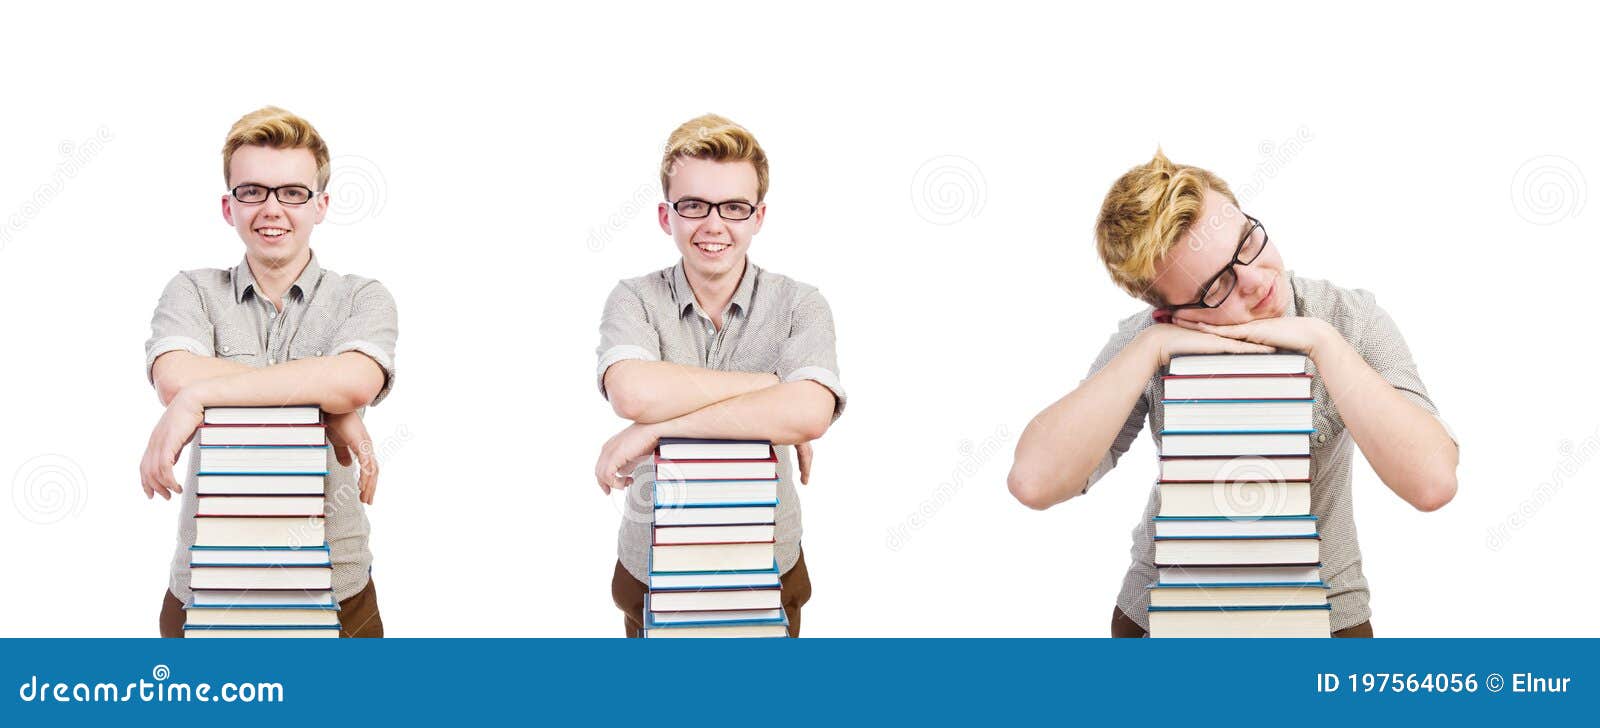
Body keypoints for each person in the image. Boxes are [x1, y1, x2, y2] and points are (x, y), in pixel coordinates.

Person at [1007, 150, 1458, 637]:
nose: (1258, 280)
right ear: (1170, 312)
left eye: (1247, 241)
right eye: (1218, 285)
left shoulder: (1348, 319)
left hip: (1326, 622)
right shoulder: (1149, 343)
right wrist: (1151, 347)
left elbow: (1432, 483)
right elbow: (1034, 482)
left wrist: (1323, 343)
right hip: (1160, 621)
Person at [142, 106, 398, 637]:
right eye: (252, 192)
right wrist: (325, 411)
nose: (271, 209)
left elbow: (355, 381)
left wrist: (202, 398)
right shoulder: (191, 290)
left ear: (321, 205)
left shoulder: (363, 297)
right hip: (205, 585)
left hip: (338, 586)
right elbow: (173, 376)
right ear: (228, 205)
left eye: (292, 193)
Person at [594, 114, 846, 637]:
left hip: (769, 567)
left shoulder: (801, 304)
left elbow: (811, 413)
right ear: (667, 216)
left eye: (734, 207)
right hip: (652, 570)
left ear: (759, 217)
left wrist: (657, 428)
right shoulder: (634, 298)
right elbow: (632, 392)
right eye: (693, 206)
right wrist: (772, 383)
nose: (714, 225)